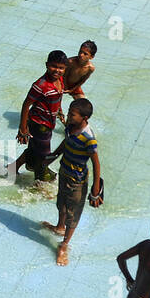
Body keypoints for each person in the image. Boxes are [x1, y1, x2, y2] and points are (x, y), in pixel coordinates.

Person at [40, 98, 102, 265]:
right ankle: (59, 227)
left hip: (77, 181)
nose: (68, 116)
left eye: (72, 114)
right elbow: (65, 142)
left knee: (73, 213)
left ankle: (64, 245)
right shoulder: (70, 127)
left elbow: (96, 164)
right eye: (69, 113)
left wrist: (95, 188)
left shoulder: (89, 138)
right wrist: (52, 156)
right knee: (61, 203)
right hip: (64, 173)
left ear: (84, 118)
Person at [13, 50, 69, 180]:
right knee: (44, 156)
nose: (57, 70)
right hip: (39, 125)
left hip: (49, 123)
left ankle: (12, 168)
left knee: (34, 150)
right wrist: (22, 128)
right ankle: (40, 183)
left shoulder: (60, 80)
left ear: (65, 68)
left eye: (61, 68)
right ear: (47, 65)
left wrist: (59, 111)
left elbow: (58, 96)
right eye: (53, 66)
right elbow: (26, 105)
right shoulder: (40, 85)